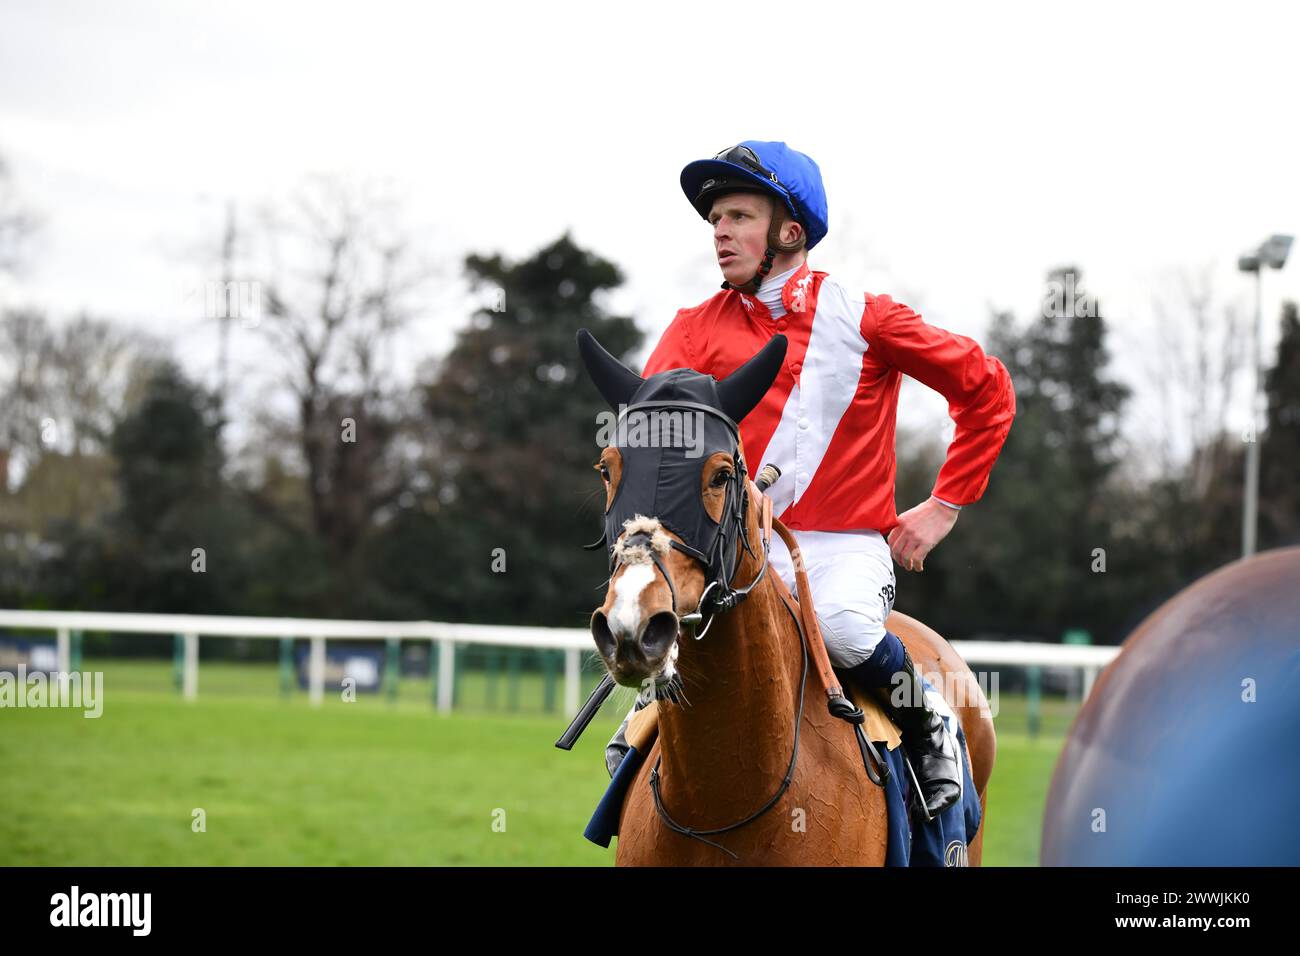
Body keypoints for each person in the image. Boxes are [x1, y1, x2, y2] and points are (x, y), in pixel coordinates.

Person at [603, 141, 1015, 821]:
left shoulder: (864, 316)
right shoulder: (692, 328)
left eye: (738, 215)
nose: (720, 233)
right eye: (714, 220)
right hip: (742, 547)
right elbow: (653, 440)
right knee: (674, 631)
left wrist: (945, 504)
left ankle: (929, 722)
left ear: (789, 232)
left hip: (842, 548)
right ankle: (648, 726)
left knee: (850, 632)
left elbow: (986, 391)